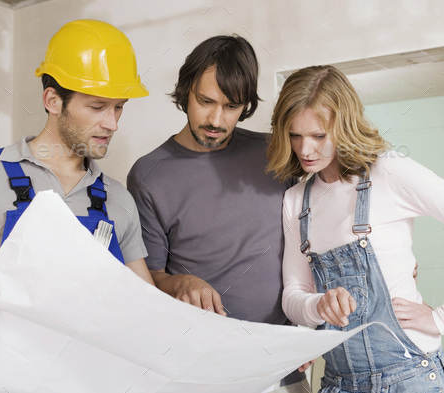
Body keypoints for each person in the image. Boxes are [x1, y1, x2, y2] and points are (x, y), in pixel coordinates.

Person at [267, 65, 444, 391]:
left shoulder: (387, 172)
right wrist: (318, 306)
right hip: (339, 382)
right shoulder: (296, 200)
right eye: (295, 135)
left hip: (409, 376)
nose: (305, 149)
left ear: (344, 124)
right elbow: (293, 295)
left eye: (318, 136)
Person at [0, 19, 154, 334]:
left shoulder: (119, 200)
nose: (112, 124)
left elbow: (147, 310)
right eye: (98, 107)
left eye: (118, 108)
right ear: (53, 101)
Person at [127, 35, 310, 392]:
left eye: (231, 106)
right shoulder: (148, 175)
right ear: (184, 92)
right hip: (201, 371)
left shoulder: (275, 152)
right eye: (205, 101)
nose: (215, 119)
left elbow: (322, 225)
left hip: (285, 366)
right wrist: (181, 282)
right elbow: (147, 281)